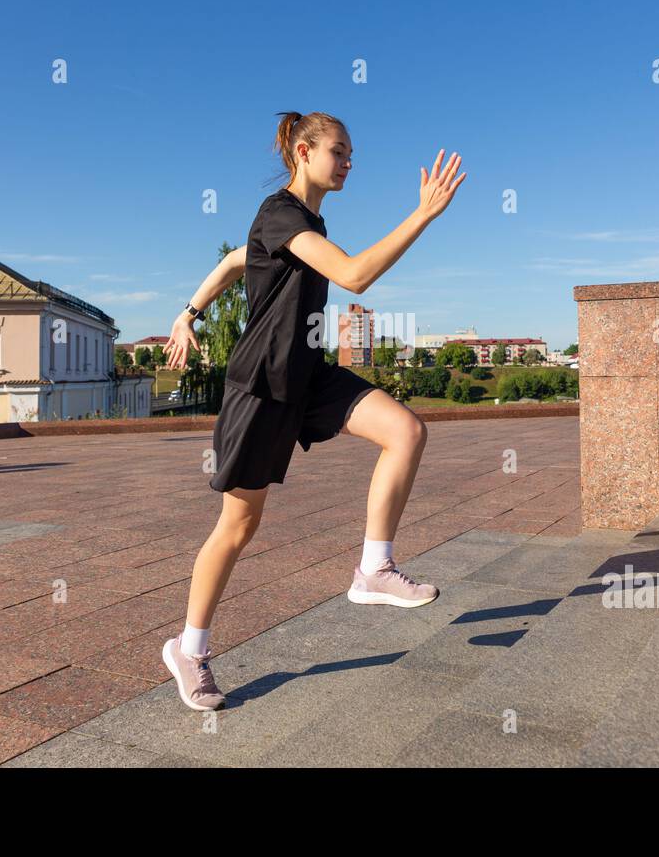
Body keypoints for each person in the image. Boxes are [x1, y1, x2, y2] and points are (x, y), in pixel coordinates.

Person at [160, 110, 467, 711]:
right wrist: (424, 214)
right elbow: (354, 276)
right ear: (304, 152)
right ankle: (188, 650)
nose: (350, 162)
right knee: (239, 527)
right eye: (340, 152)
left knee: (406, 430)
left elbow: (233, 263)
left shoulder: (303, 222)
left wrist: (189, 311)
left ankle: (373, 569)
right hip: (260, 387)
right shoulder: (282, 212)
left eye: (351, 153)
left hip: (308, 376)